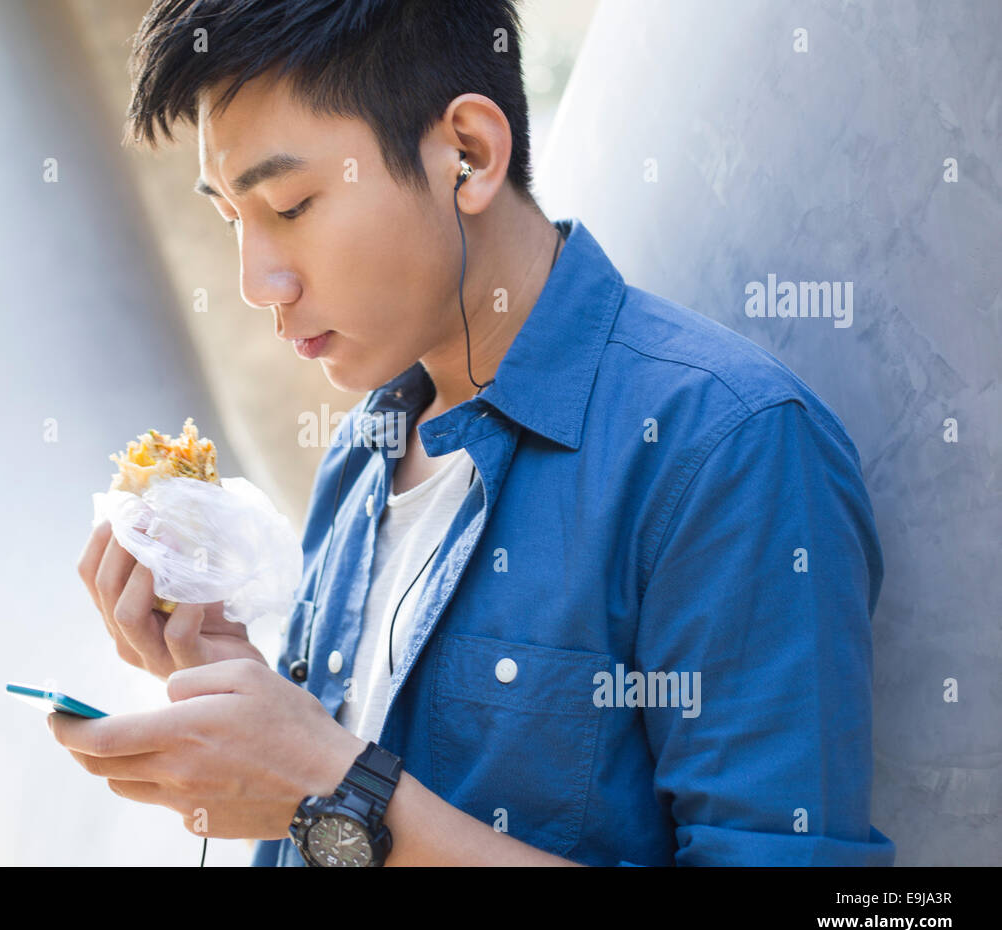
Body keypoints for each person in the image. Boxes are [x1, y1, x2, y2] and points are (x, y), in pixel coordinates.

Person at [56, 0, 895, 866]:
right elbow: (328, 791)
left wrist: (340, 795)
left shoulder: (726, 447)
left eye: (291, 205)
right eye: (232, 219)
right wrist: (230, 685)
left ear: (469, 154)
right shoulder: (364, 447)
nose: (257, 282)